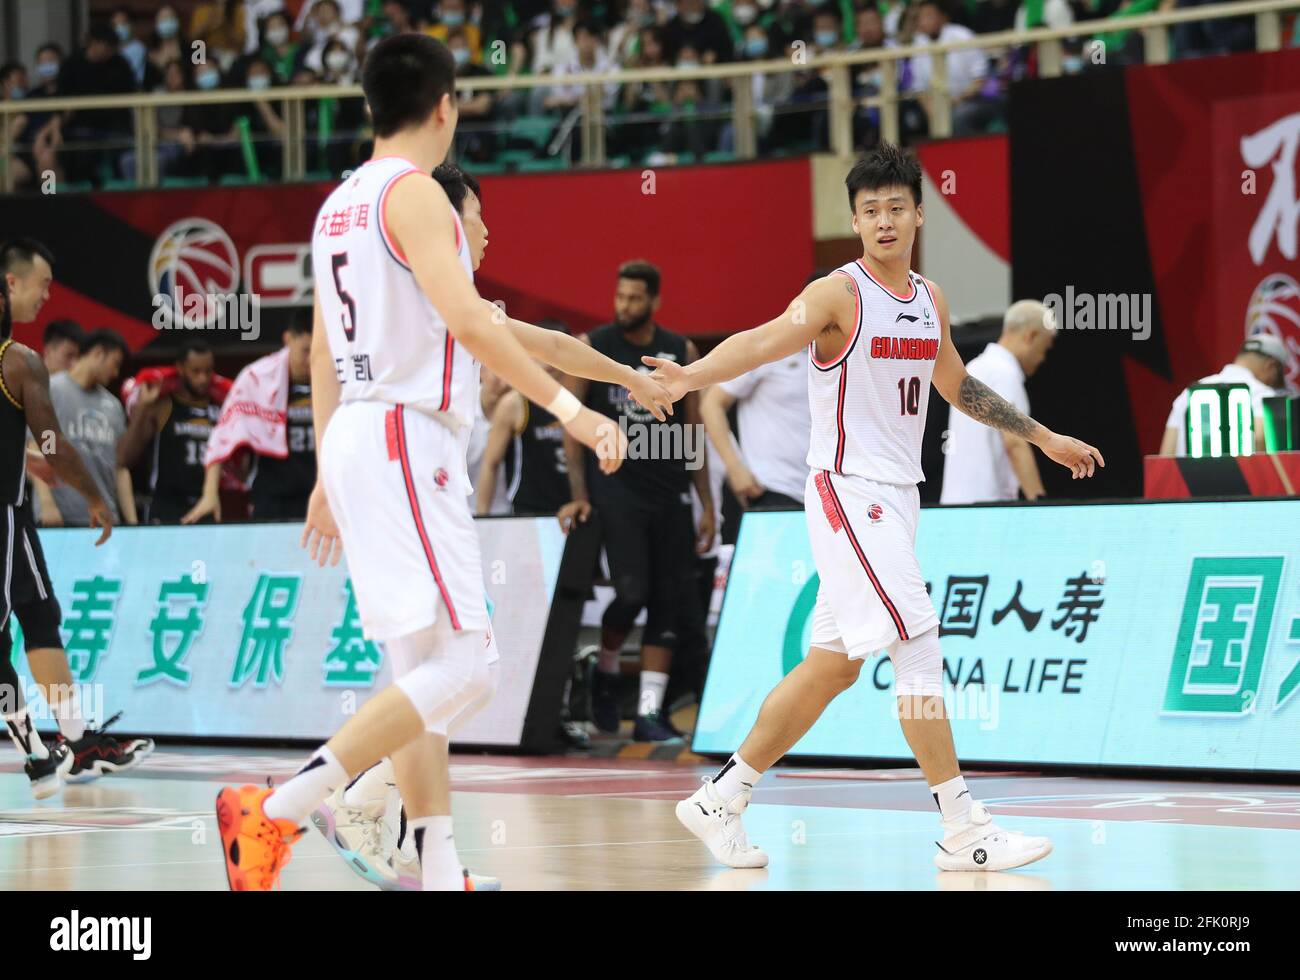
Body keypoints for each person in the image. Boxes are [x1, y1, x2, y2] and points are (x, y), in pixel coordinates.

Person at [213, 36, 667, 892]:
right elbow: (472, 322)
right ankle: (280, 807)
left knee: (421, 672)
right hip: (402, 436)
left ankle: (438, 861)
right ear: (446, 107)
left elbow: (324, 353)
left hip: (361, 437)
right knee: (470, 667)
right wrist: (572, 409)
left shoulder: (337, 204)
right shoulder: (419, 196)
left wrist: (322, 471)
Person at [645, 143, 1103, 872]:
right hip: (846, 490)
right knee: (918, 642)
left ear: (919, 214)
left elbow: (957, 387)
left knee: (831, 665)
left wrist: (1041, 435)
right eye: (870, 211)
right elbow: (764, 341)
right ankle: (963, 827)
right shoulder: (838, 295)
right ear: (854, 222)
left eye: (896, 207)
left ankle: (721, 796)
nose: (884, 221)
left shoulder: (929, 299)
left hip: (897, 495)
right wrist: (689, 377)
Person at [314, 163, 671, 890]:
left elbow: (552, 345)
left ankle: (413, 838)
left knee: (443, 678)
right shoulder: (435, 298)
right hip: (407, 466)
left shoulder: (445, 298)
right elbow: (532, 350)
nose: (484, 230)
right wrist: (581, 411)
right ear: (441, 222)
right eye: (474, 216)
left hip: (401, 468)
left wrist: (626, 376)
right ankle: (339, 795)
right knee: (465, 672)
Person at [0, 274, 153, 800]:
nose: (45, 295)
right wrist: (93, 494)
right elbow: (52, 439)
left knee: (39, 613)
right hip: (6, 511)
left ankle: (70, 742)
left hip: (14, 509)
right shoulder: (18, 360)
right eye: (38, 284)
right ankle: (41, 756)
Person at [558, 261, 715, 742]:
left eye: (633, 298)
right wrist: (580, 495)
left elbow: (693, 431)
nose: (623, 305)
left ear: (654, 302)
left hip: (669, 492)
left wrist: (706, 503)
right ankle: (605, 673)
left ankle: (648, 713)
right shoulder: (596, 345)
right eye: (619, 296)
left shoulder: (678, 350)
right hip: (617, 489)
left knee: (668, 604)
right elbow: (571, 422)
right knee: (632, 593)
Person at [187, 318, 315, 524]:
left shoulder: (337, 376)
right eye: (305, 350)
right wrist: (210, 493)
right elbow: (223, 435)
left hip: (321, 497)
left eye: (315, 351)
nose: (310, 359)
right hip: (272, 500)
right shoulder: (256, 377)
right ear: (288, 339)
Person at [939, 299, 1055, 504]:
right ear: (1031, 336)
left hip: (953, 503)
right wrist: (1039, 501)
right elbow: (1015, 441)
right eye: (1043, 349)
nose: (1042, 358)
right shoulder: (1006, 374)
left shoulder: (973, 368)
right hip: (987, 506)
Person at [33, 328, 137, 528]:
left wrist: (133, 522)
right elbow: (37, 449)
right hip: (60, 517)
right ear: (98, 353)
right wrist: (47, 505)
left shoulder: (113, 406)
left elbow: (120, 467)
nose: (115, 373)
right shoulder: (52, 390)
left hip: (104, 518)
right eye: (115, 364)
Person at [118, 341, 221, 523]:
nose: (203, 378)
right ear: (180, 368)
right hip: (168, 506)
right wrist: (142, 409)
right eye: (195, 371)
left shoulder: (219, 408)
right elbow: (125, 459)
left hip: (206, 503)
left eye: (208, 371)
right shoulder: (163, 405)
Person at [700, 350, 810, 510]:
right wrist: (734, 467)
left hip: (825, 492)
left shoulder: (839, 354)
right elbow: (711, 405)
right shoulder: (772, 347)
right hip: (772, 487)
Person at [1159, 334, 1290, 457]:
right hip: (1242, 480)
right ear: (1271, 366)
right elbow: (1260, 439)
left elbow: (1166, 455)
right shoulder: (1263, 394)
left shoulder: (1188, 393)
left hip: (1189, 480)